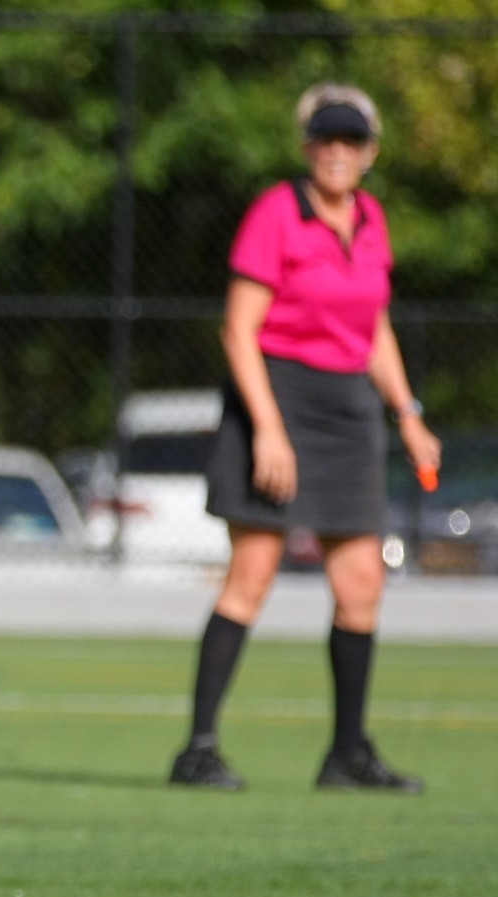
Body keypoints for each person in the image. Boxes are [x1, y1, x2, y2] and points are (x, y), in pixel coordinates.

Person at [169, 84, 440, 793]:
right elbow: (239, 330)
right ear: (307, 147)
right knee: (251, 576)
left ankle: (347, 753)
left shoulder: (372, 219)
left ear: (371, 153)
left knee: (361, 585)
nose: (338, 154)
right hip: (277, 391)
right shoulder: (275, 213)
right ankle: (198, 749)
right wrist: (267, 430)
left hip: (349, 404)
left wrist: (407, 413)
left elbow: (373, 326)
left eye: (351, 142)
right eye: (327, 141)